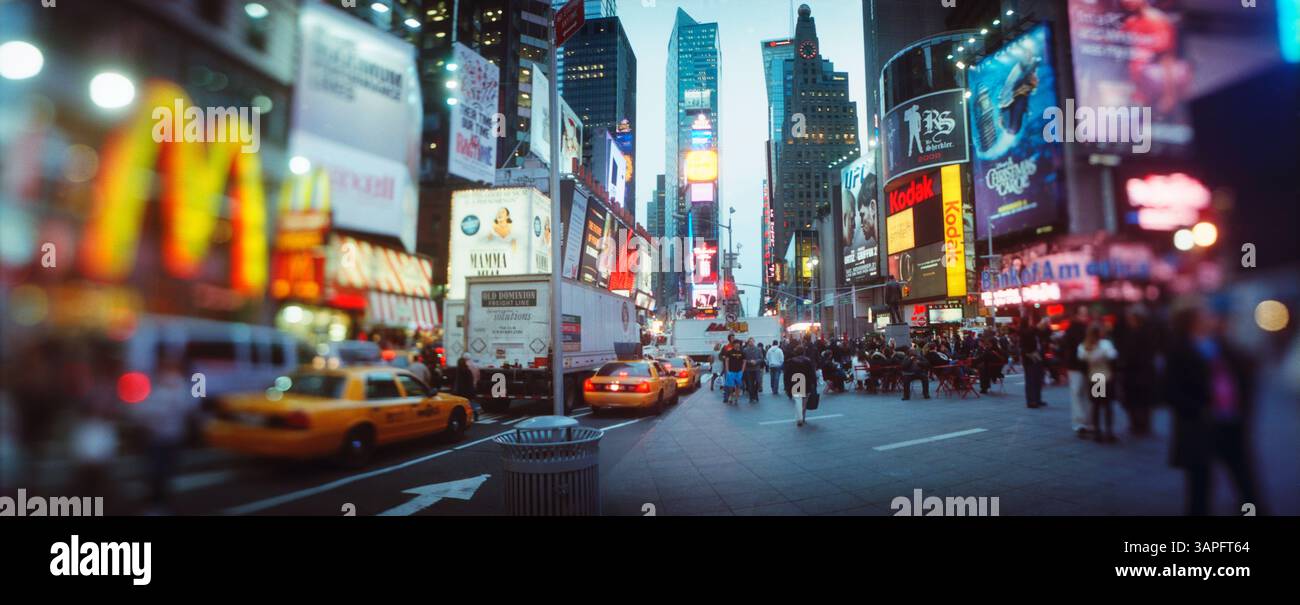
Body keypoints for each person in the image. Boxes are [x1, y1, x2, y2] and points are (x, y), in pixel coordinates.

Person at [1165, 301, 1260, 515]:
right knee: (1200, 483)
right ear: (1192, 322)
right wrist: (1199, 410)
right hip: (1200, 426)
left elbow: (1244, 367)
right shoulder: (1179, 349)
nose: (1211, 318)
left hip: (1230, 421)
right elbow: (1170, 392)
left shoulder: (1219, 342)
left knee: (1243, 476)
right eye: (1205, 315)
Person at [130, 357, 200, 513]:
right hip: (155, 438)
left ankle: (162, 504)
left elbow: (189, 407)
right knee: (154, 472)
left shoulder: (181, 388)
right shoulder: (153, 388)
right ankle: (154, 504)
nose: (169, 373)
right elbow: (140, 412)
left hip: (173, 438)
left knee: (167, 472)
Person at [1117, 306, 1157, 436]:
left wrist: (1123, 364)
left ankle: (1138, 425)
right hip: (1144, 372)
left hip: (1135, 373)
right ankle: (1143, 425)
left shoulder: (1135, 334)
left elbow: (1131, 355)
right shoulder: (1147, 332)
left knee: (1136, 400)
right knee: (1143, 400)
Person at [1078, 323, 1119, 442]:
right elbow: (1113, 355)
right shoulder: (1105, 344)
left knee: (1096, 406)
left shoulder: (1084, 346)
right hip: (1106, 377)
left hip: (1095, 377)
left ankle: (1097, 432)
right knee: (1107, 406)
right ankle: (1109, 432)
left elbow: (1082, 358)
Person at [1063, 307, 1093, 436]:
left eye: (1086, 314)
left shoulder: (1088, 329)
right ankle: (1082, 423)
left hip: (1089, 367)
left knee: (1089, 394)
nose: (1085, 317)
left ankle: (1087, 422)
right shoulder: (1072, 330)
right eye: (1082, 314)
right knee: (1080, 393)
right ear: (1075, 316)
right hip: (1078, 367)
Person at [1020, 316, 1048, 408]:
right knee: (1031, 380)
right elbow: (1025, 344)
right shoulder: (1025, 332)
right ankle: (1031, 401)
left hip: (1037, 357)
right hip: (1030, 358)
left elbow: (1043, 333)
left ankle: (1037, 399)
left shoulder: (1032, 331)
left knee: (1037, 379)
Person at [786, 346, 817, 427]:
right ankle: (803, 417)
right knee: (804, 401)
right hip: (806, 382)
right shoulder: (808, 361)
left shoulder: (791, 361)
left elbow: (787, 375)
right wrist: (814, 383)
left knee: (798, 401)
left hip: (796, 381)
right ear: (803, 352)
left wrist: (787, 386)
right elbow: (812, 373)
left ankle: (799, 418)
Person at [721, 336, 747, 405]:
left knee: (738, 385)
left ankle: (736, 397)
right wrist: (727, 370)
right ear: (734, 344)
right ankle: (731, 396)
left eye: (738, 343)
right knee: (730, 385)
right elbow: (726, 361)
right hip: (731, 371)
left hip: (739, 371)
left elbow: (744, 362)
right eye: (735, 343)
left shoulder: (742, 353)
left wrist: (742, 371)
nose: (737, 344)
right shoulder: (729, 352)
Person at [742, 337, 763, 403]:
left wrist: (756, 361)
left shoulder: (758, 349)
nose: (751, 342)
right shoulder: (745, 350)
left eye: (752, 341)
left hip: (756, 368)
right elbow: (744, 360)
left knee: (758, 381)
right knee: (750, 384)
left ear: (754, 341)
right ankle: (751, 397)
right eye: (750, 341)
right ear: (748, 342)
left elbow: (761, 358)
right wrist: (749, 361)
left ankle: (755, 394)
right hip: (748, 369)